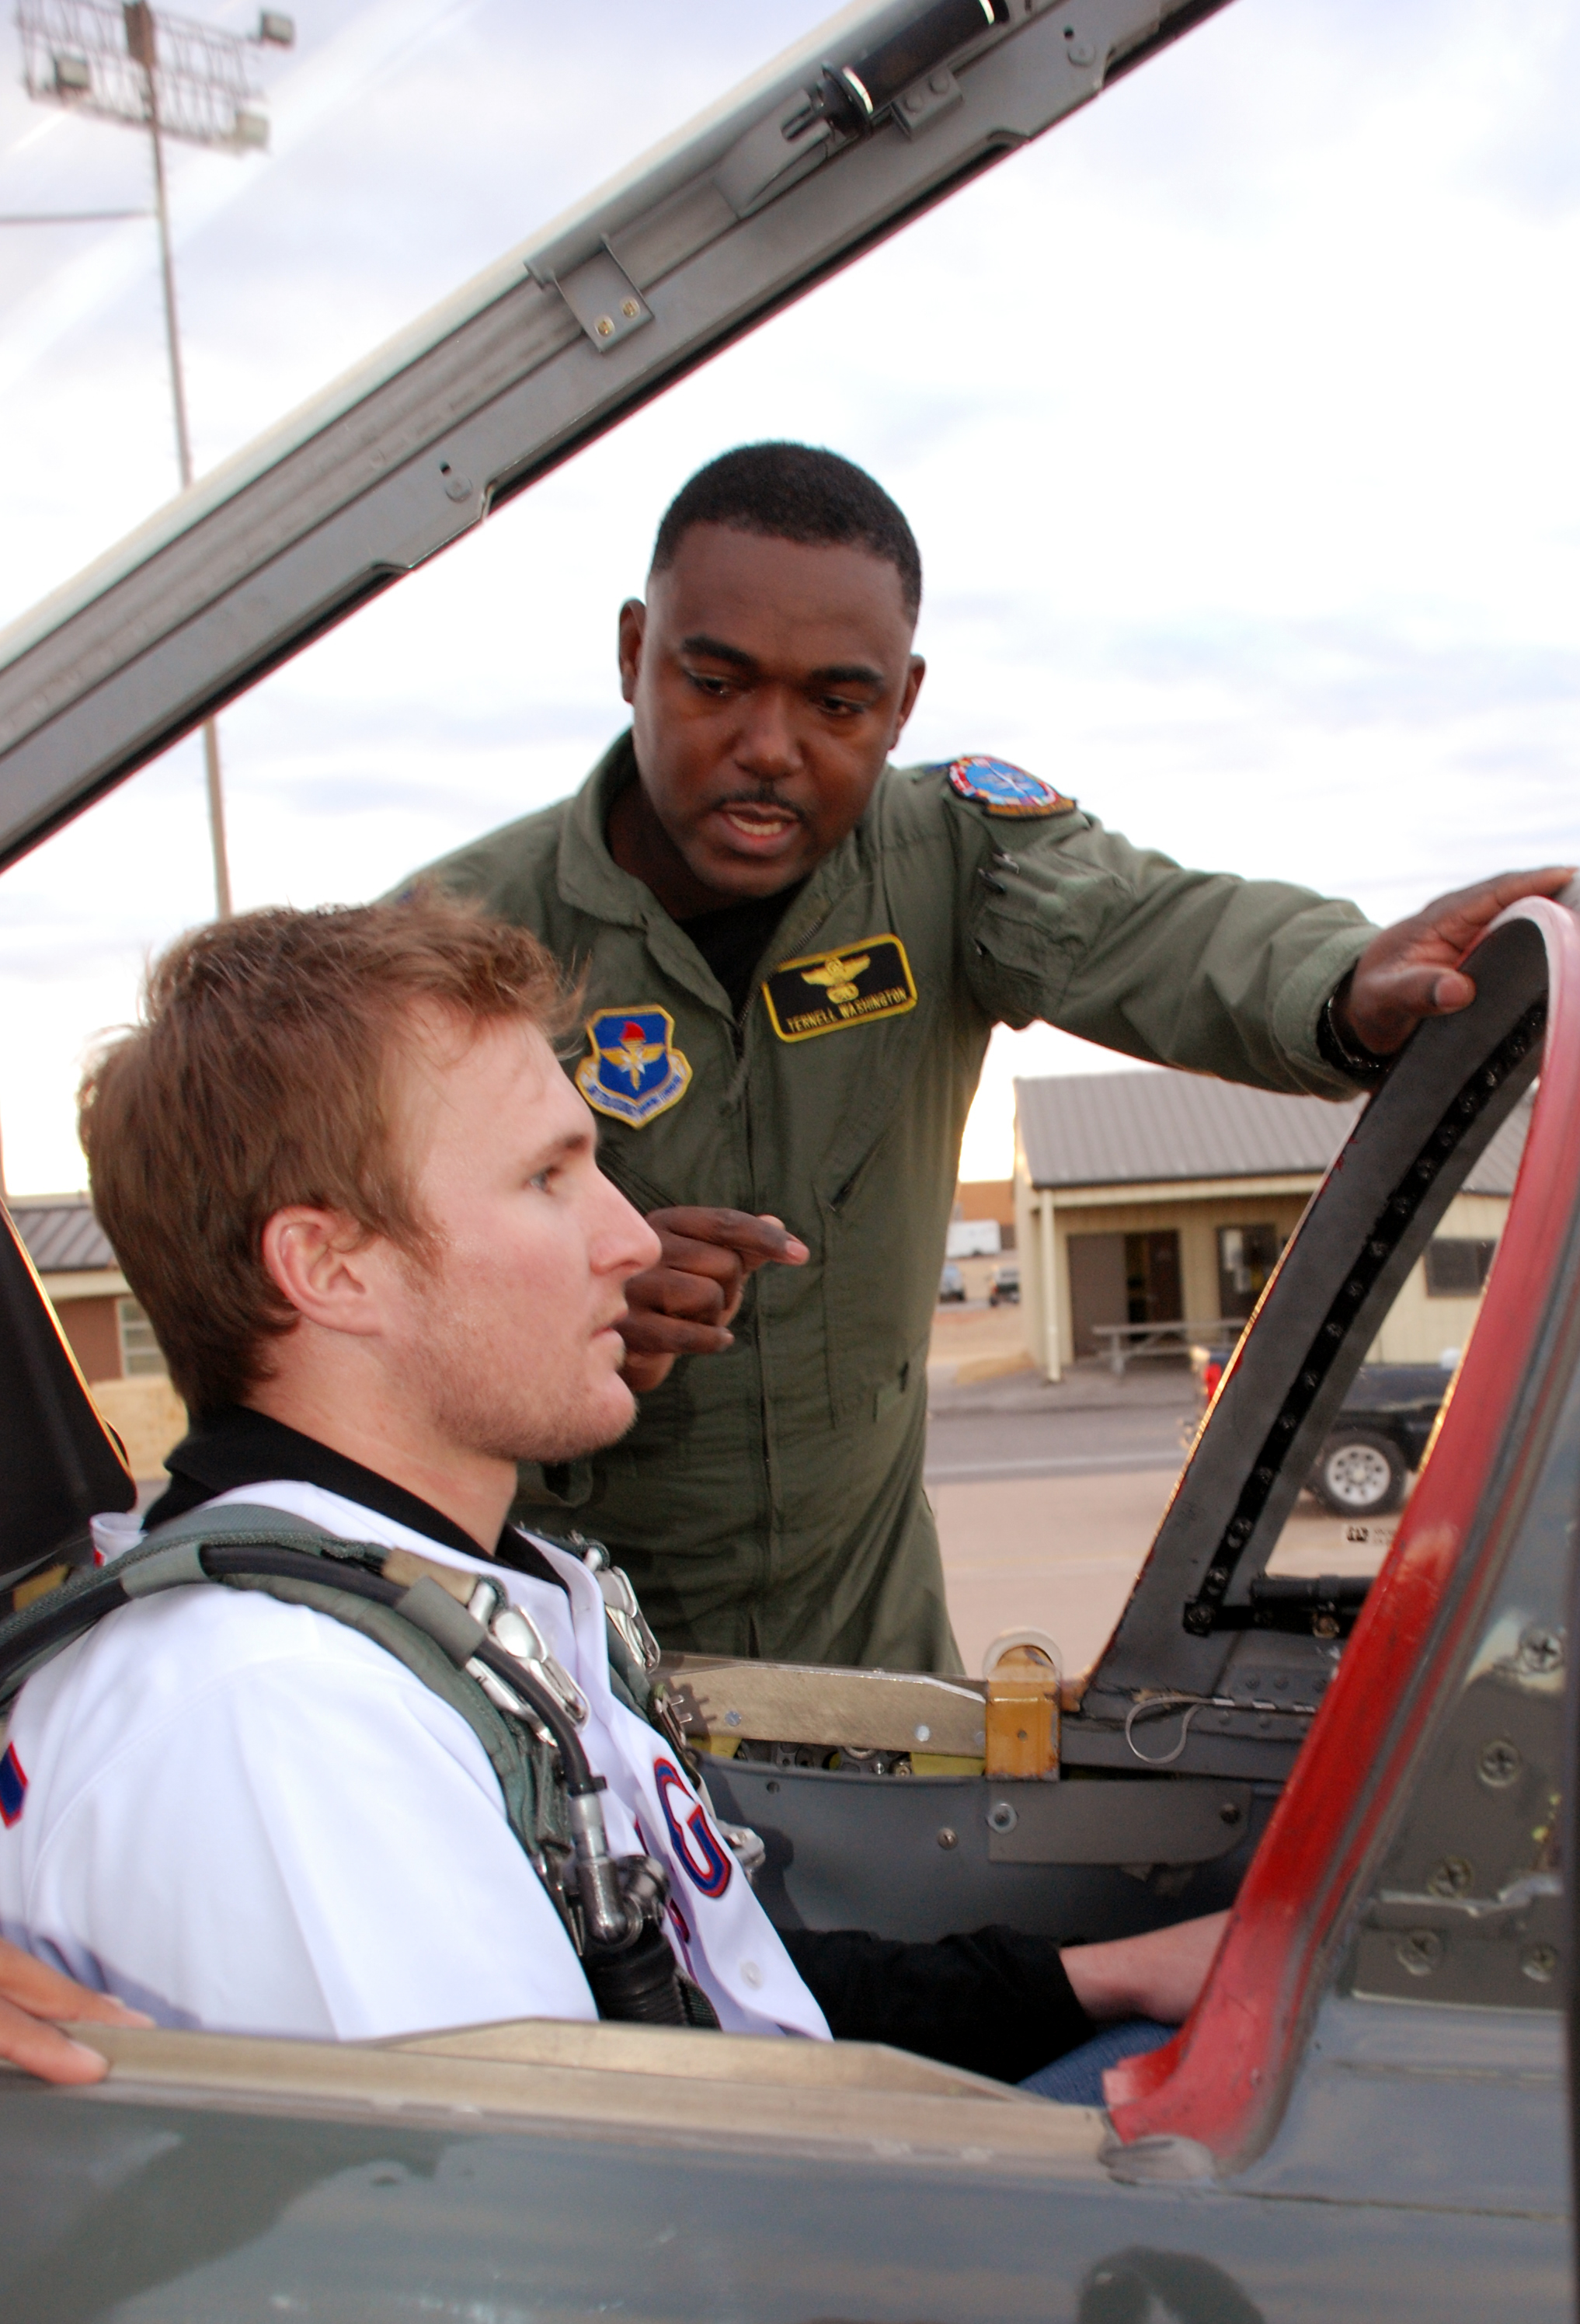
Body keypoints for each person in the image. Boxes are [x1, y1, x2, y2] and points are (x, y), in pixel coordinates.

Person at [0, 898, 1221, 2094]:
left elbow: (715, 2005)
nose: (633, 1239)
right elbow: (511, 2208)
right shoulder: (285, 1717)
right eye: (546, 1176)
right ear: (330, 1268)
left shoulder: (465, 1600)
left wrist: (1104, 1976)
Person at [415, 440, 1575, 1672]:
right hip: (549, 1654)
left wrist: (1340, 982)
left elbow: (1155, 926)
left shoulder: (953, 860)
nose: (770, 745)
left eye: (837, 705)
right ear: (631, 653)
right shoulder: (445, 948)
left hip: (866, 1652)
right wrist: (553, 1305)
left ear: (902, 704)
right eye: (714, 682)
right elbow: (335, 1301)